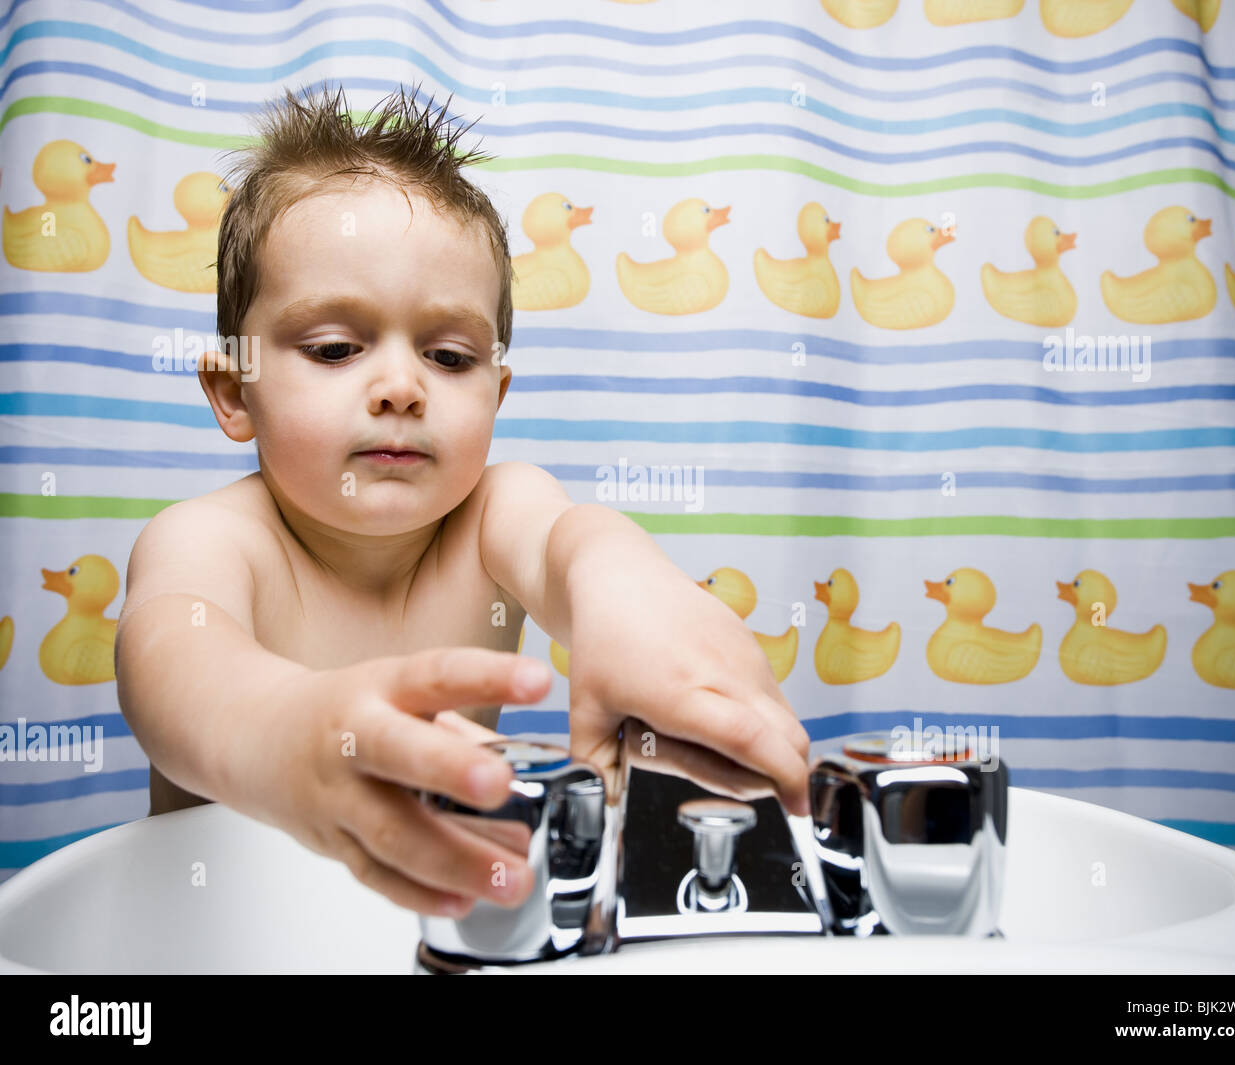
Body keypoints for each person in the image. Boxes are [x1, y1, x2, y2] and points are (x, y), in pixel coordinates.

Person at [114, 82, 810, 920]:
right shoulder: (209, 539)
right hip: (230, 939)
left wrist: (629, 590)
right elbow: (170, 671)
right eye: (334, 347)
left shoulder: (491, 515)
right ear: (235, 391)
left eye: (448, 357)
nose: (402, 387)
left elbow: (571, 543)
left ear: (496, 392)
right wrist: (291, 728)